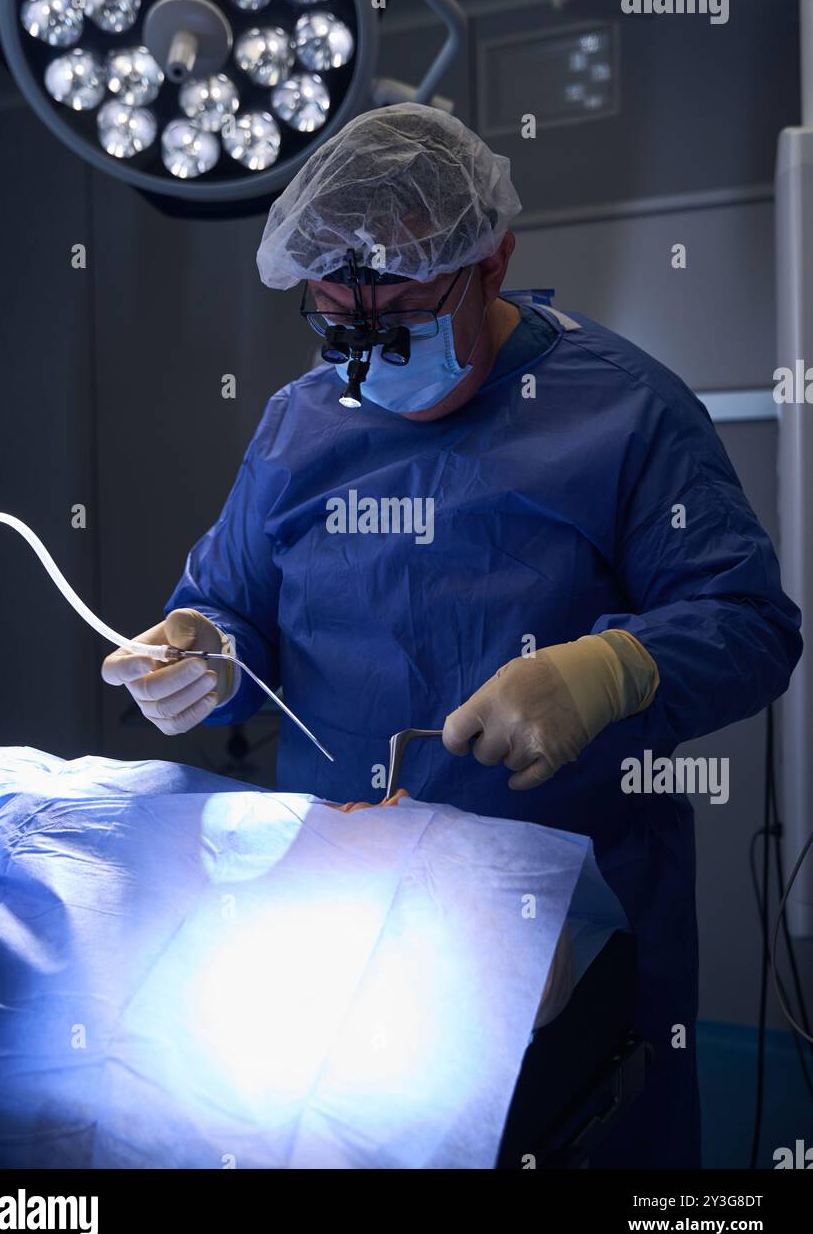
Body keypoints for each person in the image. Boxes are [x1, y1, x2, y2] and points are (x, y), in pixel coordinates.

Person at [102, 103, 802, 1168]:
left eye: (402, 322)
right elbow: (230, 605)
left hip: (568, 939)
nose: (367, 357)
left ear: (492, 261)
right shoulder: (298, 423)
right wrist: (199, 648)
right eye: (341, 327)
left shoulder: (624, 414)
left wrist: (612, 668)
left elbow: (750, 623)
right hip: (345, 927)